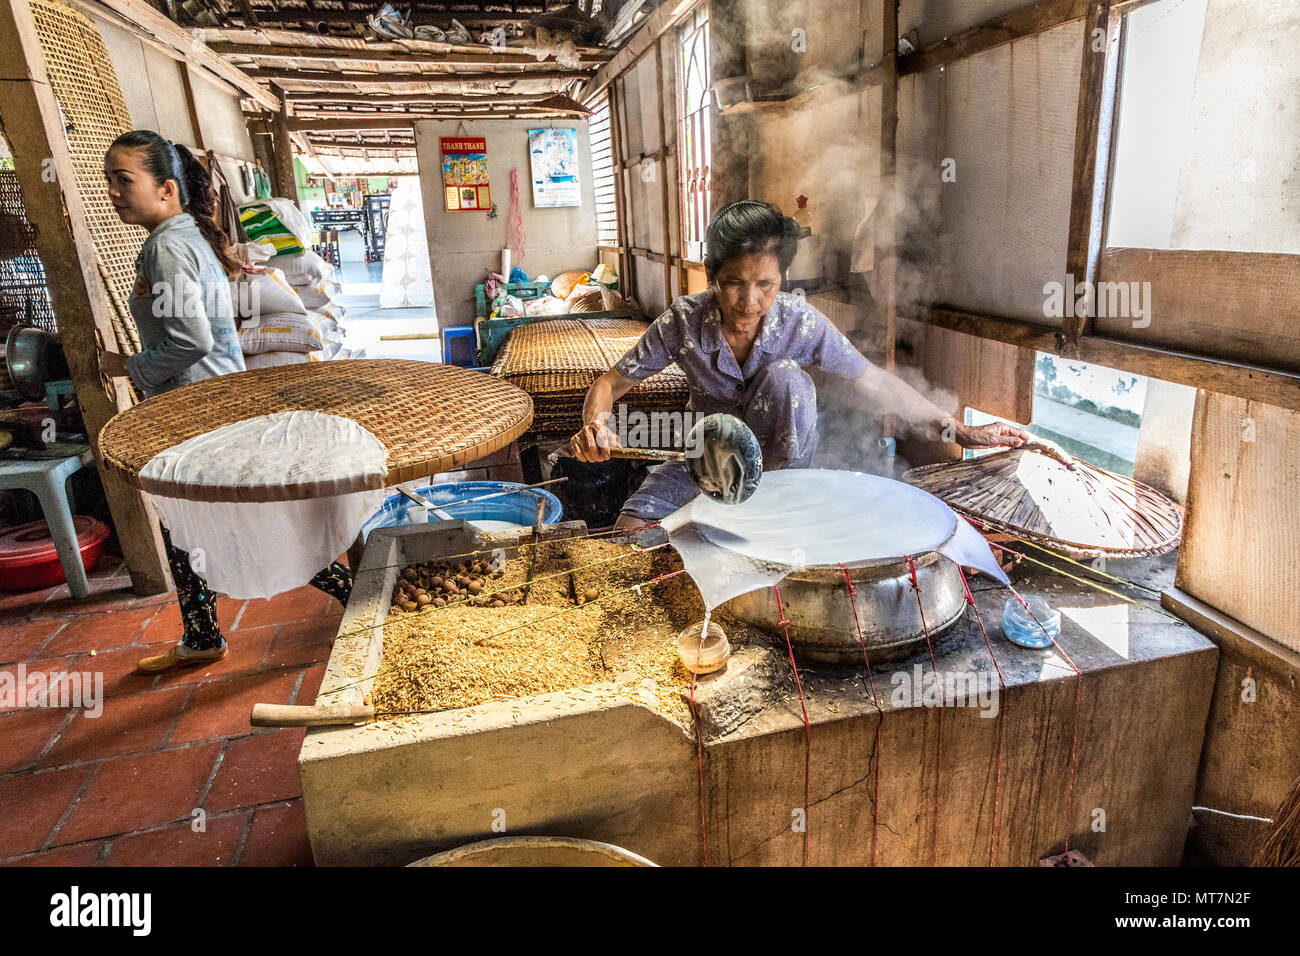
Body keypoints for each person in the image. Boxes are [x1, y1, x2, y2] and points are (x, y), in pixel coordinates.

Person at [569, 200, 1031, 531]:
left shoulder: (801, 321)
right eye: (733, 284)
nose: (750, 302)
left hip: (781, 472)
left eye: (766, 285)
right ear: (711, 275)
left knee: (787, 378)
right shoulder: (684, 321)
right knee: (630, 530)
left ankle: (769, 510)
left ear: (782, 279)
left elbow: (872, 380)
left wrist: (954, 428)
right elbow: (609, 383)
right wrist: (597, 424)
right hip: (708, 460)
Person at [100, 130, 352, 673]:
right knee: (188, 527)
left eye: (124, 181)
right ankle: (201, 632)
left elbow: (190, 340)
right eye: (110, 182)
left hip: (197, 407)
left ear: (166, 189)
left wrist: (129, 367)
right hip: (210, 399)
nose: (114, 193)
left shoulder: (167, 246)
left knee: (246, 525)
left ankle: (360, 597)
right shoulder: (185, 234)